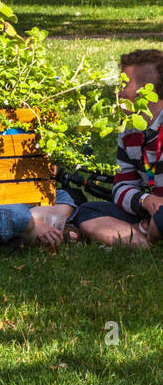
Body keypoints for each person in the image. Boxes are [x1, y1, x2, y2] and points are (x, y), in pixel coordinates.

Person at [68, 49, 163, 247]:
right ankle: (144, 239)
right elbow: (121, 186)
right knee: (87, 211)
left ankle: (141, 233)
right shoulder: (129, 129)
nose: (117, 93)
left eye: (124, 85)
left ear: (146, 90)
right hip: (151, 209)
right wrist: (145, 200)